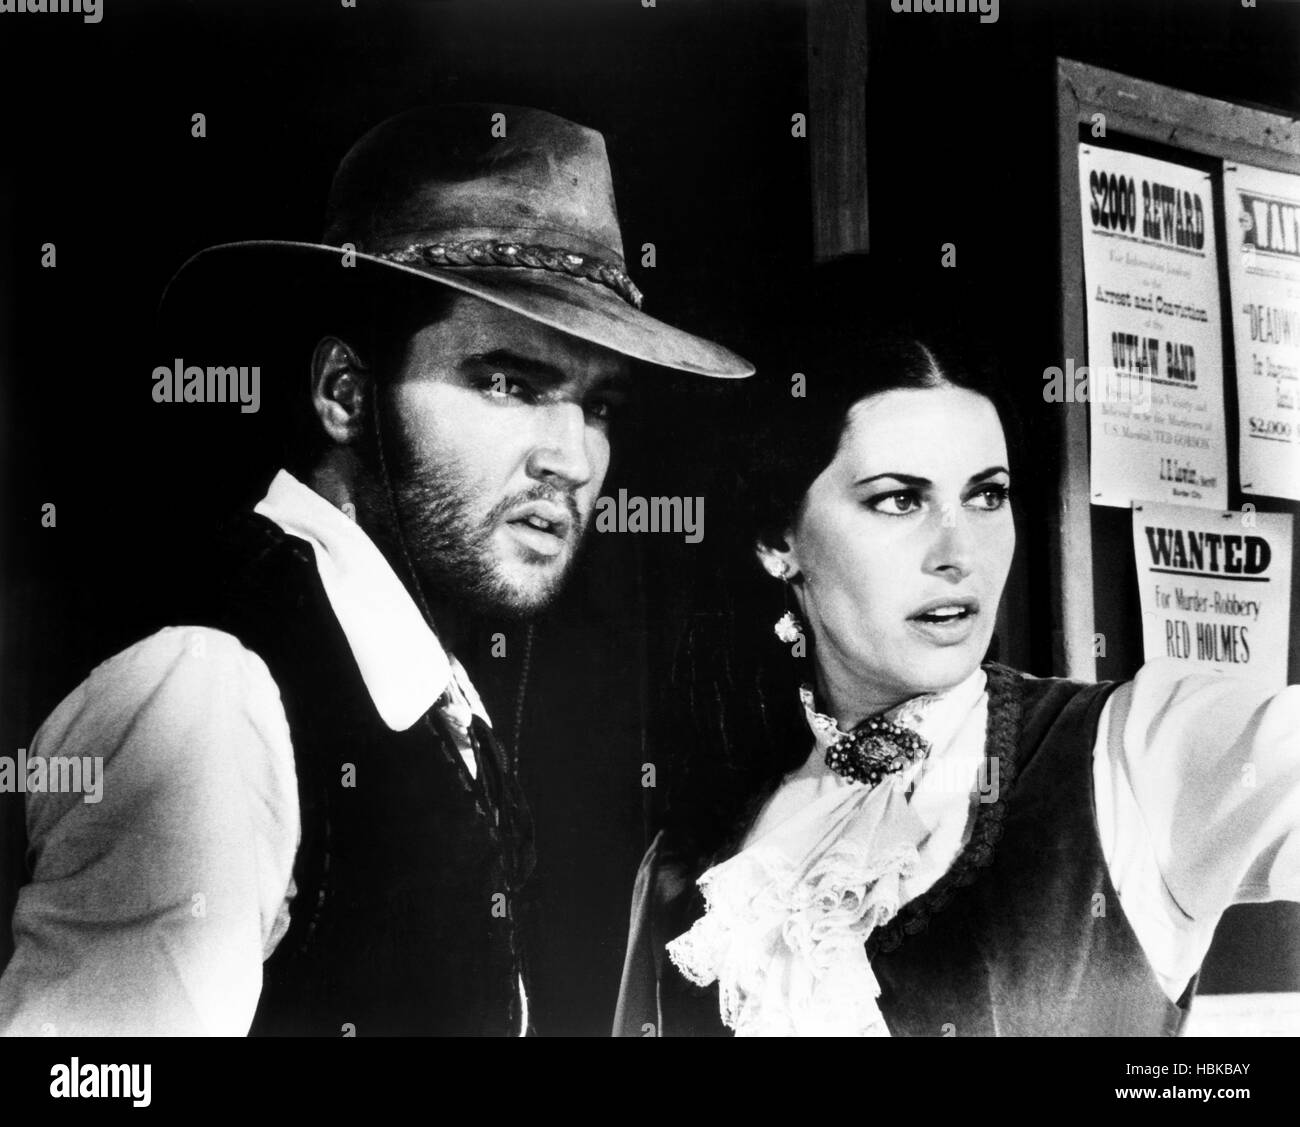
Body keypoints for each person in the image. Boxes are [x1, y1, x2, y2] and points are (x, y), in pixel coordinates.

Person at [0, 104, 751, 1037]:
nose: (572, 457)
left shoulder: (413, 681)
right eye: (506, 382)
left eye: (596, 406)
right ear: (345, 395)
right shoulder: (212, 691)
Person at [613, 308, 1300, 1037]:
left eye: (987, 495)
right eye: (899, 499)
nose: (959, 552)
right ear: (777, 540)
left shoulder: (1131, 754)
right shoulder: (690, 866)